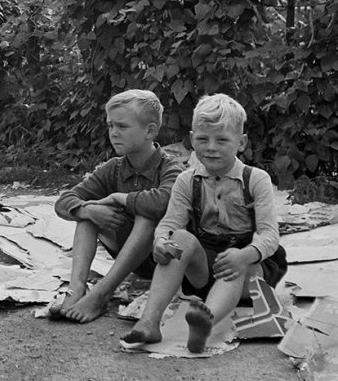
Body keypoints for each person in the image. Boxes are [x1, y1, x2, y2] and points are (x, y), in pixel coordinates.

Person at [121, 93, 287, 353]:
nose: (211, 147)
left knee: (234, 264)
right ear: (192, 139)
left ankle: (206, 321)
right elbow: (169, 222)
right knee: (180, 239)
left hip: (251, 270)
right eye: (202, 139)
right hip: (204, 267)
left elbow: (269, 235)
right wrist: (161, 240)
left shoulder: (256, 179)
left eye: (222, 140)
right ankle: (149, 322)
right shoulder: (188, 180)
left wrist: (245, 256)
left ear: (241, 142)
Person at [51, 89, 183, 323]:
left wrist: (120, 198)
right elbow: (64, 201)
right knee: (88, 212)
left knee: (147, 215)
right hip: (130, 258)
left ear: (150, 131)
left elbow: (164, 201)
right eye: (111, 126)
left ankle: (102, 293)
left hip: (165, 260)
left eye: (122, 127)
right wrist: (87, 209)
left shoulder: (171, 168)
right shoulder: (113, 168)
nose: (114, 133)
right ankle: (77, 289)